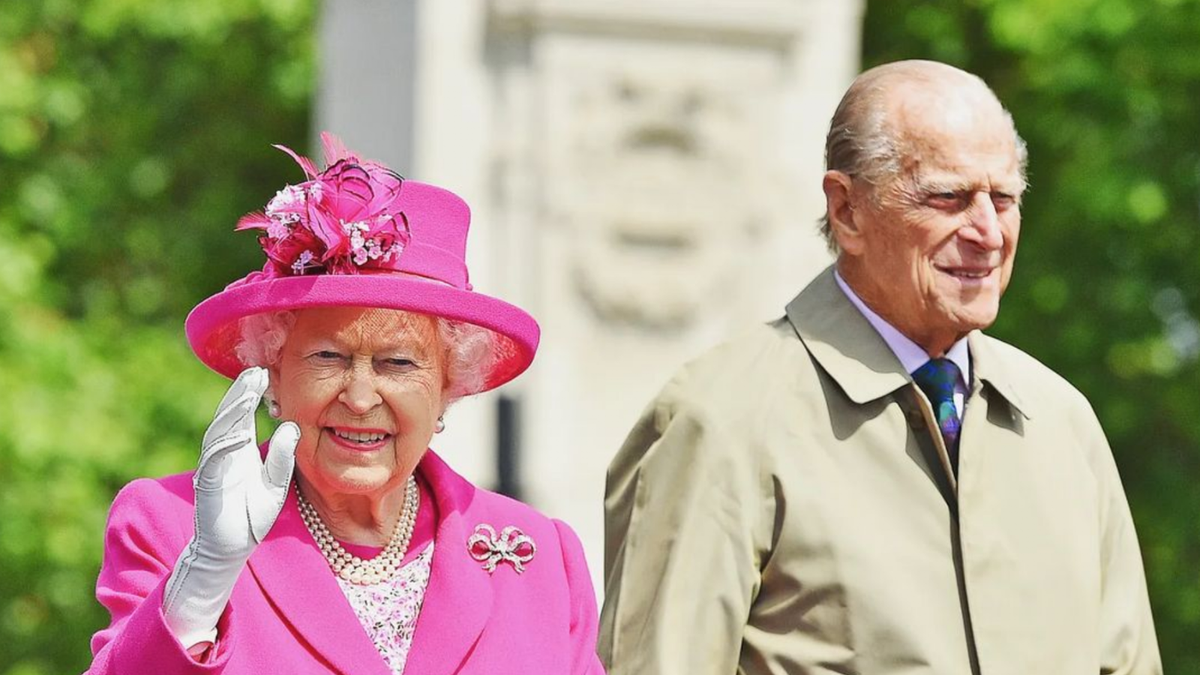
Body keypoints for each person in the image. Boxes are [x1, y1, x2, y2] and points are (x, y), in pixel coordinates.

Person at [598, 60, 1161, 674]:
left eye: (1003, 199)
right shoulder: (721, 419)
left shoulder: (1063, 423)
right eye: (948, 196)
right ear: (847, 210)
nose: (988, 232)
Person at [86, 134, 605, 674]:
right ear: (275, 373)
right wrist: (200, 588)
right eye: (329, 357)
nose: (359, 398)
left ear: (450, 382)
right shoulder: (171, 526)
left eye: (398, 364)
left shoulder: (542, 556)